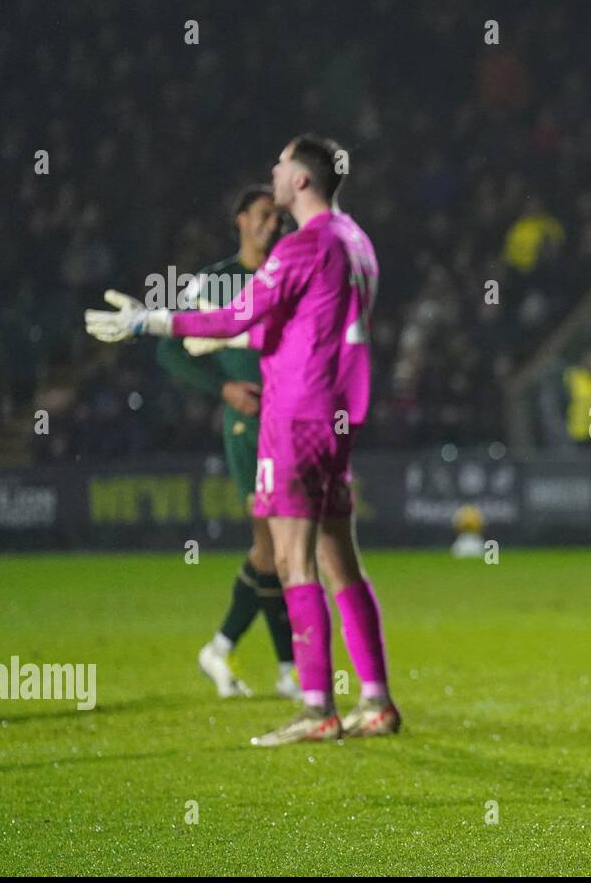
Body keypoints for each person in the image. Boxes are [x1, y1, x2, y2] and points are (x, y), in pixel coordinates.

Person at [86, 135, 398, 746]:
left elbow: (239, 313)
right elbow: (312, 327)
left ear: (302, 181)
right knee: (341, 561)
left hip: (295, 417)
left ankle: (316, 708)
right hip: (336, 414)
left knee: (291, 559)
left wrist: (150, 321)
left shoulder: (304, 243)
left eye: (281, 166)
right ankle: (377, 699)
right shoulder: (355, 241)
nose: (274, 175)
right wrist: (242, 345)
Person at [155, 185, 300, 701]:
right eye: (263, 216)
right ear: (240, 219)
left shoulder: (282, 277)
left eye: (279, 218)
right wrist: (222, 387)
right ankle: (269, 664)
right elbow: (170, 352)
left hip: (286, 425)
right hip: (248, 427)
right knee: (275, 546)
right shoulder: (215, 282)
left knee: (276, 550)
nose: (273, 225)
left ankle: (253, 659)